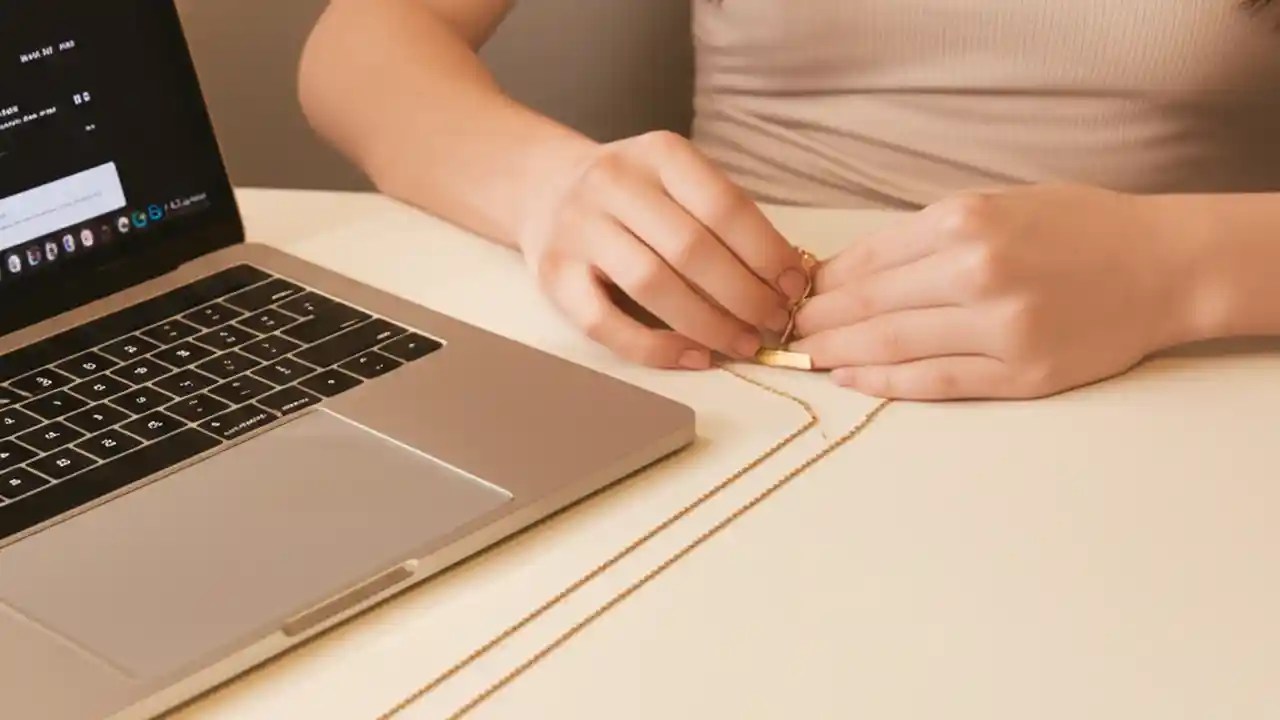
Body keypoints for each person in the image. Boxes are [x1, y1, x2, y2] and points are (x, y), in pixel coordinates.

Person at [298, 0, 1280, 400]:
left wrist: (1176, 265)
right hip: (727, 366)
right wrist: (547, 189)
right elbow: (366, 42)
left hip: (1161, 384)